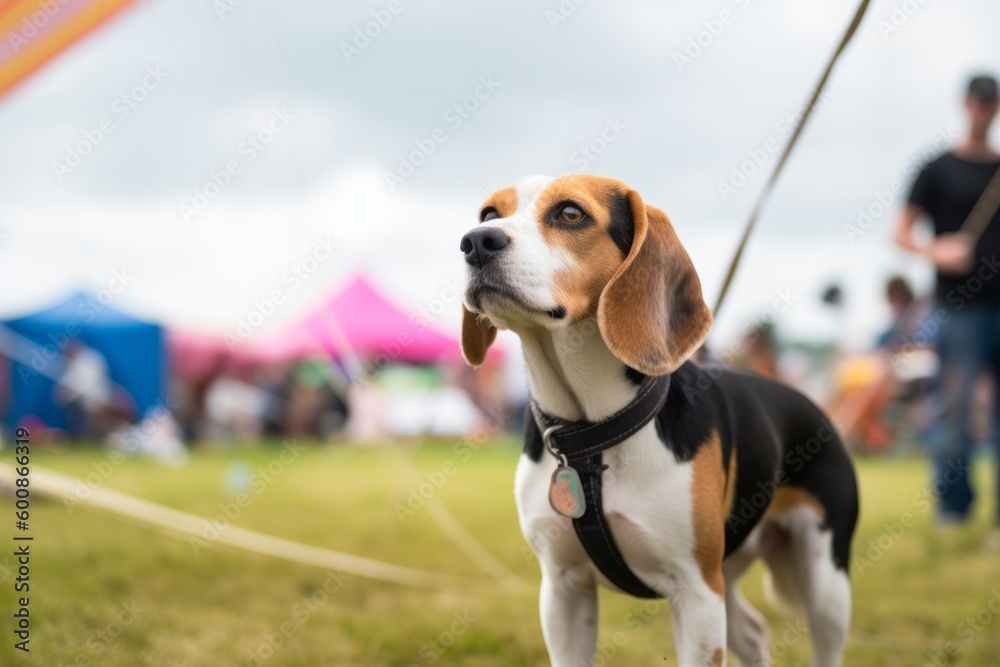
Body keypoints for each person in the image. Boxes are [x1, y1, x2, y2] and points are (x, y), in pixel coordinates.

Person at [894, 74, 1000, 526]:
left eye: (990, 102)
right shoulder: (936, 168)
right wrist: (937, 250)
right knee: (954, 409)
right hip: (957, 308)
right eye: (977, 102)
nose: (983, 109)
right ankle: (954, 509)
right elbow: (900, 234)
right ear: (965, 105)